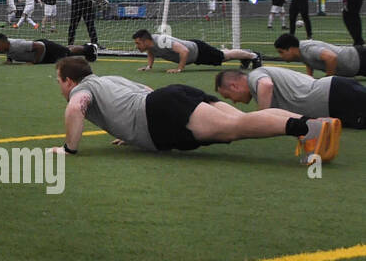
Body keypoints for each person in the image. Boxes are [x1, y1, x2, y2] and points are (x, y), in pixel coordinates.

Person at [51, 57, 339, 164]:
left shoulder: (81, 90)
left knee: (236, 128)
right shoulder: (108, 80)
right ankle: (314, 123)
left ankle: (307, 130)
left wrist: (69, 149)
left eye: (59, 80)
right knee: (242, 119)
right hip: (169, 99)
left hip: (161, 115)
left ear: (69, 80)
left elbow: (77, 107)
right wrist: (129, 131)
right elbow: (147, 93)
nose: (60, 87)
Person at [214, 67, 366, 130]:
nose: (233, 101)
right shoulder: (261, 77)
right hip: (335, 96)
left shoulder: (255, 76)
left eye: (229, 96)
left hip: (335, 95)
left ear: (234, 86)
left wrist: (261, 118)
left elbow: (266, 85)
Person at [132, 29, 261, 73]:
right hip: (196, 54)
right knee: (223, 55)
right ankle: (246, 55)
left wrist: (179, 69)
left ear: (145, 41)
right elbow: (151, 52)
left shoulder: (162, 40)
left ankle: (253, 55)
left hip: (198, 51)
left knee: (224, 56)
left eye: (138, 43)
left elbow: (184, 51)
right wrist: (149, 66)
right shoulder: (150, 45)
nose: (137, 46)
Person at [272, 34, 365, 78]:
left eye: (281, 52)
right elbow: (308, 61)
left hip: (360, 58)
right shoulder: (300, 51)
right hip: (357, 64)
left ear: (291, 49)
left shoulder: (308, 49)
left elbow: (331, 57)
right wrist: (309, 78)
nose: (281, 56)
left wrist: (329, 79)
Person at [0, 33, 94, 65]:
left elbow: (39, 46)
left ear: (4, 43)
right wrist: (9, 60)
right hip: (42, 54)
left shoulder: (17, 45)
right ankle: (86, 48)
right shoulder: (7, 46)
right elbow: (10, 51)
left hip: (46, 49)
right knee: (66, 51)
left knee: (67, 52)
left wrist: (34, 62)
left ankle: (89, 48)